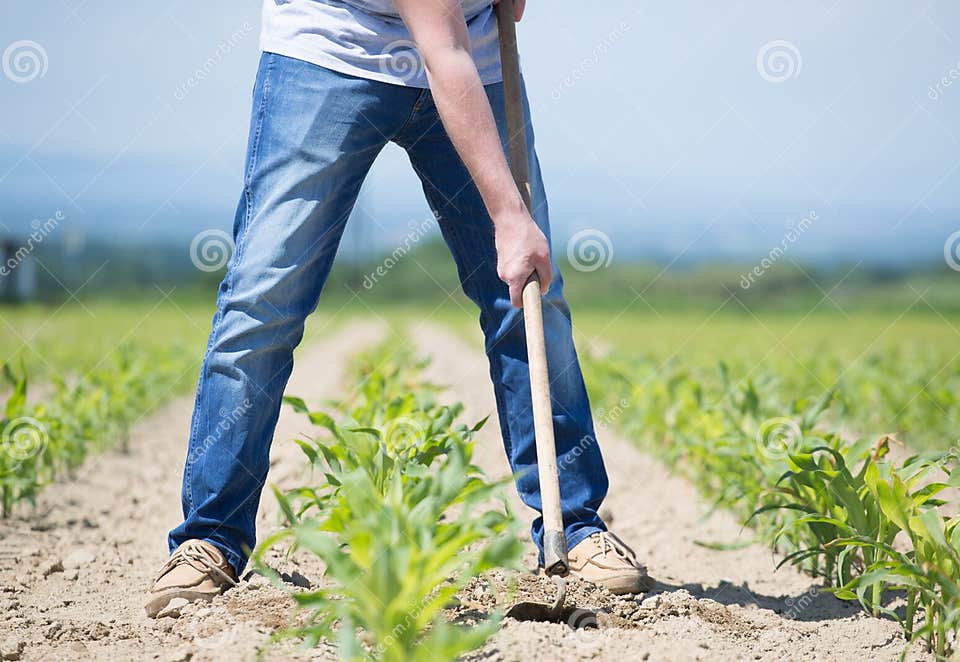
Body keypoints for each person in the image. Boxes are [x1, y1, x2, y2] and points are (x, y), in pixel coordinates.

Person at [145, 0, 647, 618]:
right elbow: (443, 52)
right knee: (263, 299)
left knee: (529, 293)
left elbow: (456, 43)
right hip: (331, 47)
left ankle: (575, 526)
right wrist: (510, 218)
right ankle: (211, 537)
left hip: (470, 45)